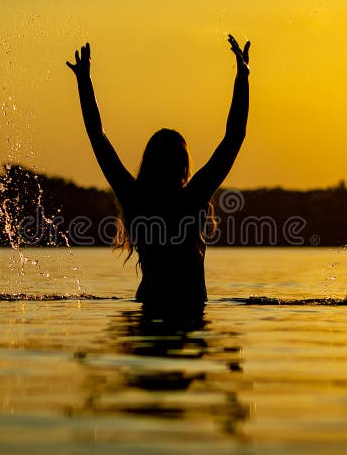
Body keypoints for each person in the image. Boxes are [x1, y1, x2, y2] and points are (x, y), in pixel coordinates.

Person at [67, 35, 250, 316]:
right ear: (184, 167)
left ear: (148, 163)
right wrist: (243, 77)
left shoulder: (135, 198)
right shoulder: (193, 198)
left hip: (149, 305)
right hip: (189, 308)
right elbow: (234, 137)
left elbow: (97, 137)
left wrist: (84, 81)